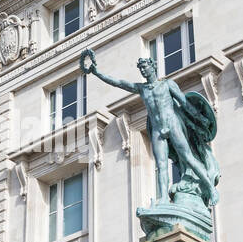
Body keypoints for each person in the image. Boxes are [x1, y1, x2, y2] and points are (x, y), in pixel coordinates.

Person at [80, 49, 219, 206]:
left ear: (153, 67)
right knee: (161, 165)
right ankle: (165, 199)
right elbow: (118, 82)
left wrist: (199, 118)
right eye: (141, 69)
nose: (143, 71)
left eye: (145, 67)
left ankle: (211, 189)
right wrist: (97, 73)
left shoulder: (167, 84)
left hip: (172, 123)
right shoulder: (142, 89)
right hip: (157, 130)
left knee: (188, 157)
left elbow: (184, 103)